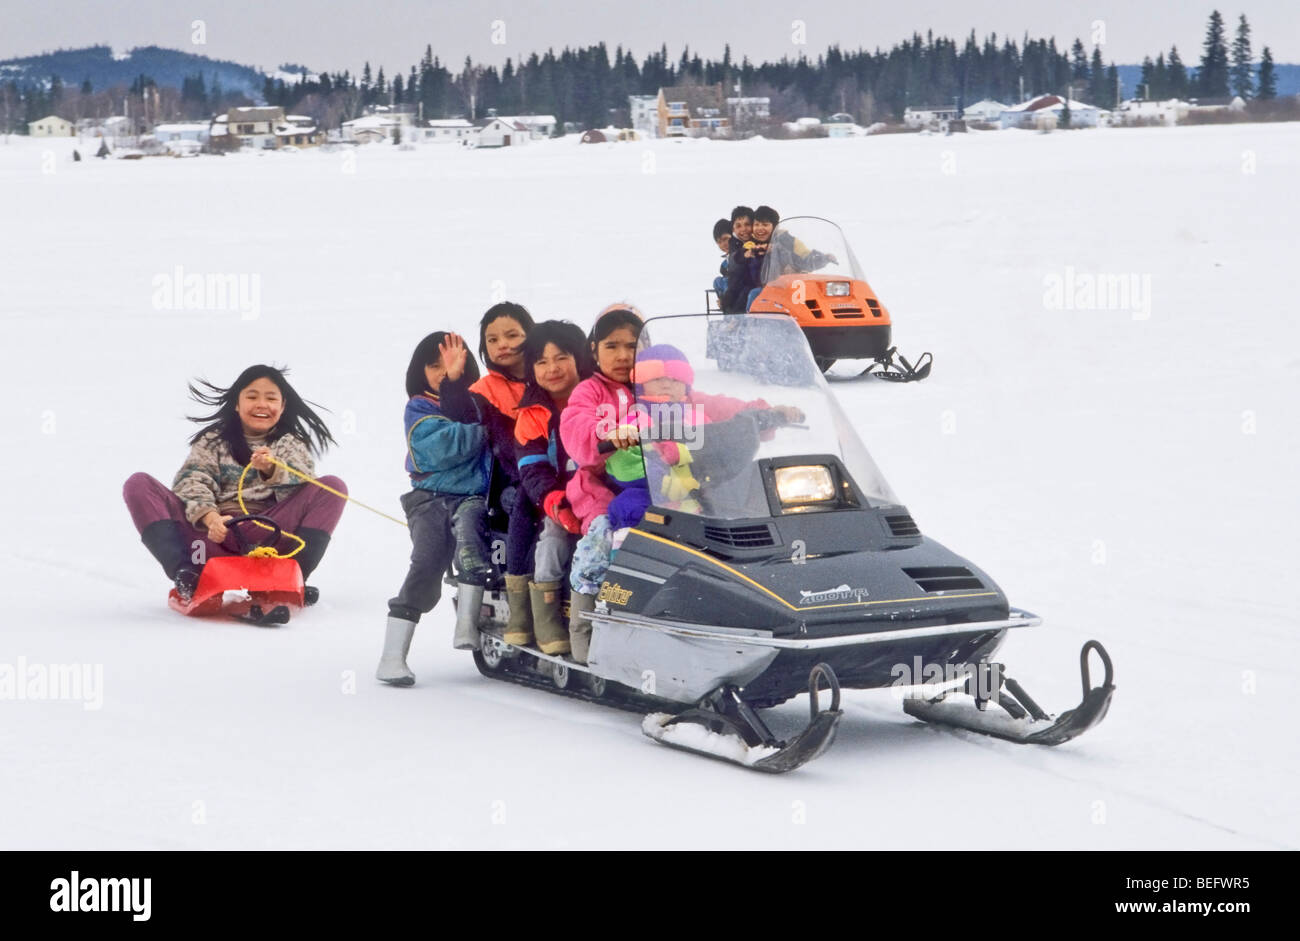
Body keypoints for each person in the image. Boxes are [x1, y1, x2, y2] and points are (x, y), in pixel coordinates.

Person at [123, 365, 345, 604]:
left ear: (282, 407)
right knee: (138, 484)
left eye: (271, 398)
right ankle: (186, 573)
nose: (261, 404)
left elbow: (302, 483)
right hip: (211, 538)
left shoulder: (290, 445)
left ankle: (293, 576)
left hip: (268, 538)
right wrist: (211, 518)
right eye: (252, 397)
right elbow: (193, 481)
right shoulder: (212, 442)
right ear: (237, 405)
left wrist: (271, 468)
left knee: (333, 486)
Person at [375, 332, 494, 686]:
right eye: (435, 364)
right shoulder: (420, 407)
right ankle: (392, 656)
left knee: (472, 550)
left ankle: (467, 624)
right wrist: (484, 431)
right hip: (429, 500)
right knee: (426, 564)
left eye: (452, 362)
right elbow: (443, 447)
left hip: (471, 498)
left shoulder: (476, 401)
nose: (444, 370)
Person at [438, 302, 536, 645]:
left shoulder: (546, 375)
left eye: (512, 335)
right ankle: (522, 596)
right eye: (492, 339)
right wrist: (452, 378)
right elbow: (459, 412)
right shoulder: (486, 390)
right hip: (509, 483)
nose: (503, 344)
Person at [558, 306, 647, 662]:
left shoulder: (658, 385)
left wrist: (757, 411)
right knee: (600, 538)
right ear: (594, 350)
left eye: (632, 345)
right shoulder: (590, 391)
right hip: (598, 490)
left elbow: (705, 406)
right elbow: (575, 423)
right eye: (612, 346)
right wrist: (605, 431)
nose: (624, 355)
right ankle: (585, 631)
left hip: (653, 489)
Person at [511, 321, 592, 654]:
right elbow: (532, 468)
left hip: (598, 491)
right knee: (553, 537)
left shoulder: (596, 396)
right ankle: (544, 617)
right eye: (542, 362)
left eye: (561, 357)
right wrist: (554, 500)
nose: (552, 369)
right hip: (556, 498)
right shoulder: (532, 412)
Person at [711, 218, 732, 302]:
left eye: (725, 239)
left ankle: (727, 301)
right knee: (717, 281)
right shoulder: (724, 264)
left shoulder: (741, 254)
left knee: (728, 281)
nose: (723, 244)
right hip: (729, 291)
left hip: (738, 289)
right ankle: (723, 300)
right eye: (719, 242)